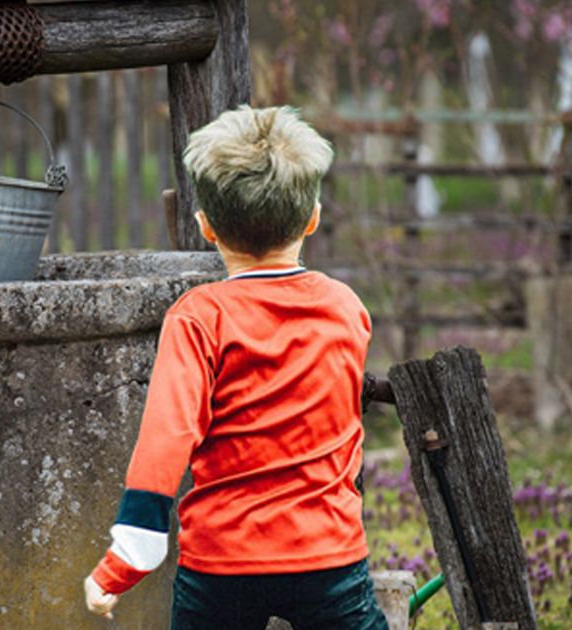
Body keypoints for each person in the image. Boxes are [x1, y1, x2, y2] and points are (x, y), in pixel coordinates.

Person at [82, 106, 387, 629]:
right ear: (312, 217)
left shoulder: (198, 317)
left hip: (223, 562)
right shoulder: (345, 307)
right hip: (327, 552)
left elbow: (165, 439)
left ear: (206, 227)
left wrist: (124, 560)